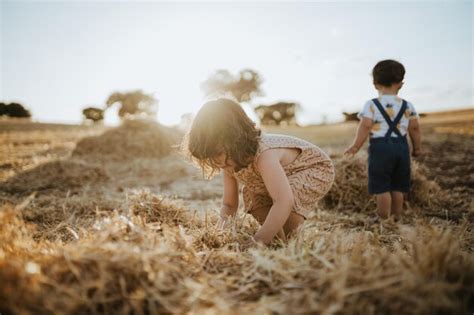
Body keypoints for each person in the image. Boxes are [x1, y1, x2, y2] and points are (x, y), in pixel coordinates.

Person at [185, 98, 334, 245]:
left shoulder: (264, 154)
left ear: (235, 141)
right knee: (252, 196)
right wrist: (219, 234)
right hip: (277, 177)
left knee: (288, 217)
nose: (216, 162)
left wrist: (257, 241)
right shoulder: (228, 161)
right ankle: (277, 243)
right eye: (210, 156)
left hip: (311, 168)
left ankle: (290, 243)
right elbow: (229, 205)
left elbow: (283, 200)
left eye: (217, 153)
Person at [345, 59, 422, 219]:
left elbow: (365, 127)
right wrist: (417, 148)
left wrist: (355, 147)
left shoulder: (371, 105)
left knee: (381, 186)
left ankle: (383, 220)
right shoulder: (408, 106)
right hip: (402, 147)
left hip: (380, 149)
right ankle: (397, 217)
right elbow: (414, 128)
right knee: (398, 186)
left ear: (374, 83)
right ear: (401, 83)